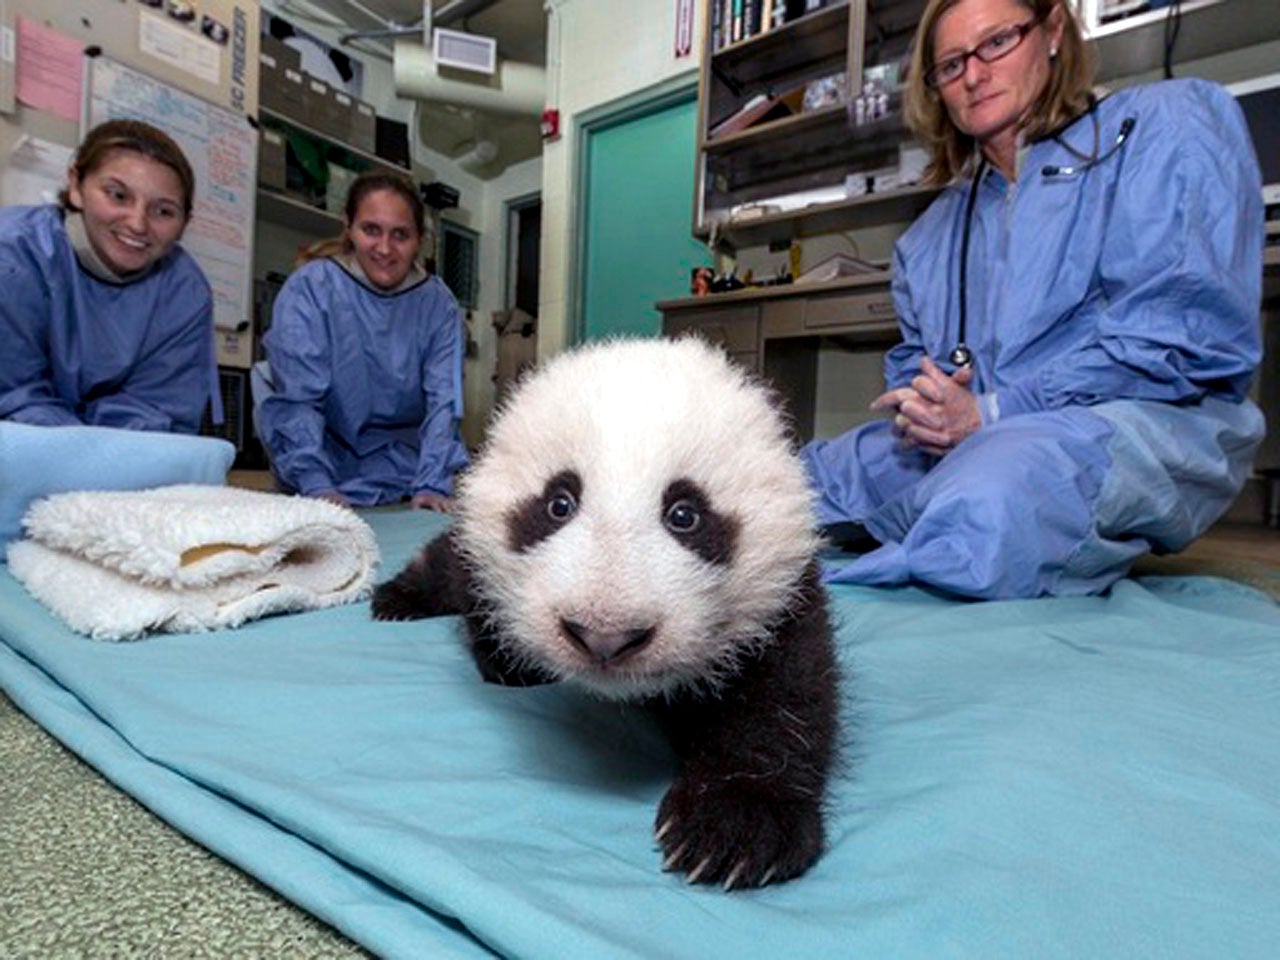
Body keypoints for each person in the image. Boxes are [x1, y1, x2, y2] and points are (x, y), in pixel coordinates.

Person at [802, 0, 1265, 599]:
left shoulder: (1164, 126)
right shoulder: (929, 237)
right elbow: (922, 366)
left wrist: (994, 413)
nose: (973, 74)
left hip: (1136, 424)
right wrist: (929, 407)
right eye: (950, 65)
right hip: (977, 441)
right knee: (799, 481)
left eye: (996, 43)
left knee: (990, 496)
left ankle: (844, 597)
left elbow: (1182, 338)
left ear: (1051, 34)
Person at [255, 170, 469, 511]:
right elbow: (298, 397)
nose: (384, 248)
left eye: (400, 235)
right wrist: (314, 482)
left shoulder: (439, 305)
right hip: (320, 457)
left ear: (419, 241)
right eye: (371, 230)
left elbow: (444, 402)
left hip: (406, 469)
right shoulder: (310, 289)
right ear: (349, 228)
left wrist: (433, 483)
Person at [0, 119, 217, 434]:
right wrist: (88, 452)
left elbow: (158, 413)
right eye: (118, 195)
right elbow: (13, 396)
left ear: (186, 222)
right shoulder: (13, 254)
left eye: (164, 211)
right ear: (76, 186)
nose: (138, 224)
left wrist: (108, 458)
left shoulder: (184, 291)